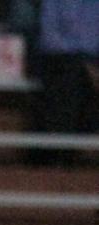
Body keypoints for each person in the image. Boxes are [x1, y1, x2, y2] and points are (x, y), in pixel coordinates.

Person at [29, 0, 99, 165]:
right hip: (63, 58)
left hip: (91, 59)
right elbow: (50, 37)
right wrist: (85, 64)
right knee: (70, 76)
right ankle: (64, 151)